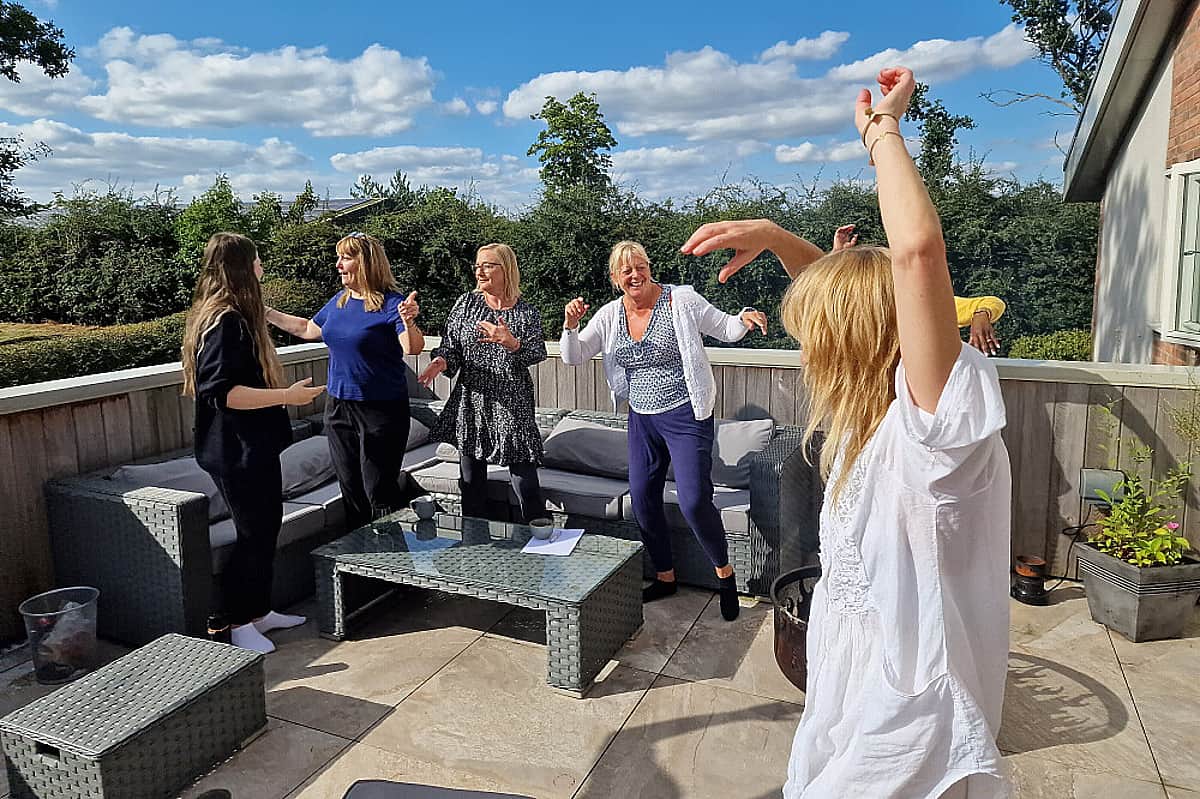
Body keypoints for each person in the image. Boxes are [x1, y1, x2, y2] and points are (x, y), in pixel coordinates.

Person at [682, 67, 1010, 798]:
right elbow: (850, 302)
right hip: (852, 685)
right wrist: (777, 238)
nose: (807, 350)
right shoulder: (877, 410)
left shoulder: (932, 429)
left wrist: (881, 131)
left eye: (816, 336)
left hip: (909, 720)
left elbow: (917, 255)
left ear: (846, 344)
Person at [560, 241, 771, 622]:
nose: (635, 274)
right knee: (642, 499)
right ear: (615, 278)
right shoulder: (610, 315)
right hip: (641, 418)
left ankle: (724, 574)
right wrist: (570, 326)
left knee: (693, 500)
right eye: (626, 270)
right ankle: (665, 576)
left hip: (686, 415)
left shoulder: (680, 300)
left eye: (640, 266)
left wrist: (744, 318)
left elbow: (724, 327)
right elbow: (574, 356)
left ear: (649, 267)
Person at [182, 232, 326, 654]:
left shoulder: (238, 315)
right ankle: (237, 623)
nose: (262, 266)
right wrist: (287, 397)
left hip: (253, 447)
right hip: (234, 451)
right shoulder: (224, 321)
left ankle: (260, 612)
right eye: (257, 260)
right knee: (252, 535)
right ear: (242, 267)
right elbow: (222, 393)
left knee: (266, 529)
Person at [265, 232, 424, 531]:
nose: (338, 265)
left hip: (381, 411)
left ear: (365, 263)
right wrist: (264, 312)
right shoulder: (340, 301)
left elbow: (412, 348)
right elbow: (307, 328)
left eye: (345, 258)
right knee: (351, 491)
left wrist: (409, 322)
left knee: (379, 491)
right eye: (338, 258)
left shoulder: (392, 304)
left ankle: (393, 555)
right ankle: (358, 555)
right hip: (339, 407)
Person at [416, 243, 547, 522]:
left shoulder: (526, 312)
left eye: (487, 265)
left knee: (525, 481)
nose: (480, 271)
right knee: (471, 483)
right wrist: (439, 363)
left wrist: (511, 343)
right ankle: (474, 541)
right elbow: (450, 347)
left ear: (506, 269)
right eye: (477, 266)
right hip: (471, 399)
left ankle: (540, 537)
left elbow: (537, 352)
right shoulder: (466, 304)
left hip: (512, 399)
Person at [833, 223, 1007, 355]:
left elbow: (990, 302)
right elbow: (820, 293)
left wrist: (981, 314)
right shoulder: (847, 306)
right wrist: (838, 256)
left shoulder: (911, 306)